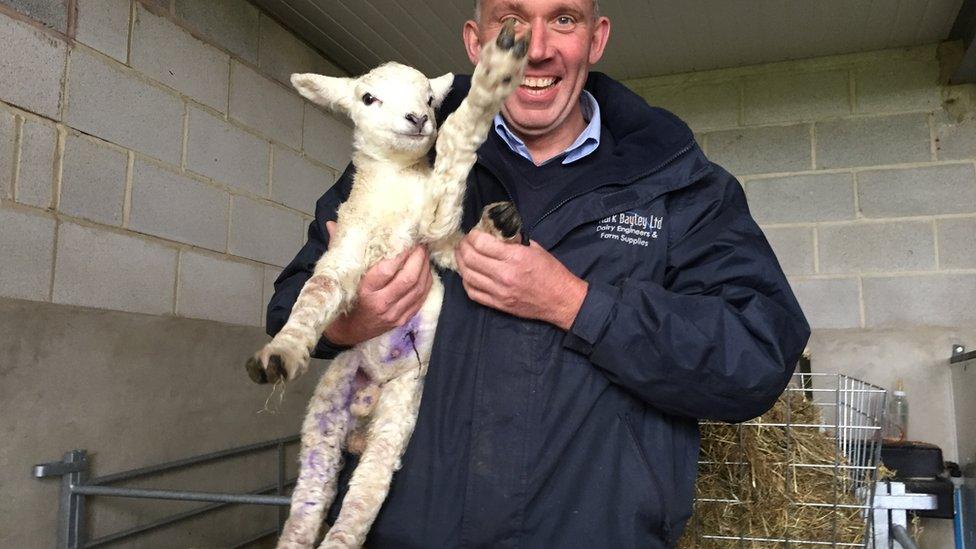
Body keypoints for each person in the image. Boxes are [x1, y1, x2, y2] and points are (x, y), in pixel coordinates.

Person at [266, 0, 811, 546]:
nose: (538, 48)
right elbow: (289, 303)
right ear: (476, 41)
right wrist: (351, 320)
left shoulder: (675, 181)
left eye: (564, 19)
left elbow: (756, 356)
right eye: (512, 21)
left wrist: (577, 305)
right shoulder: (408, 150)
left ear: (596, 39)